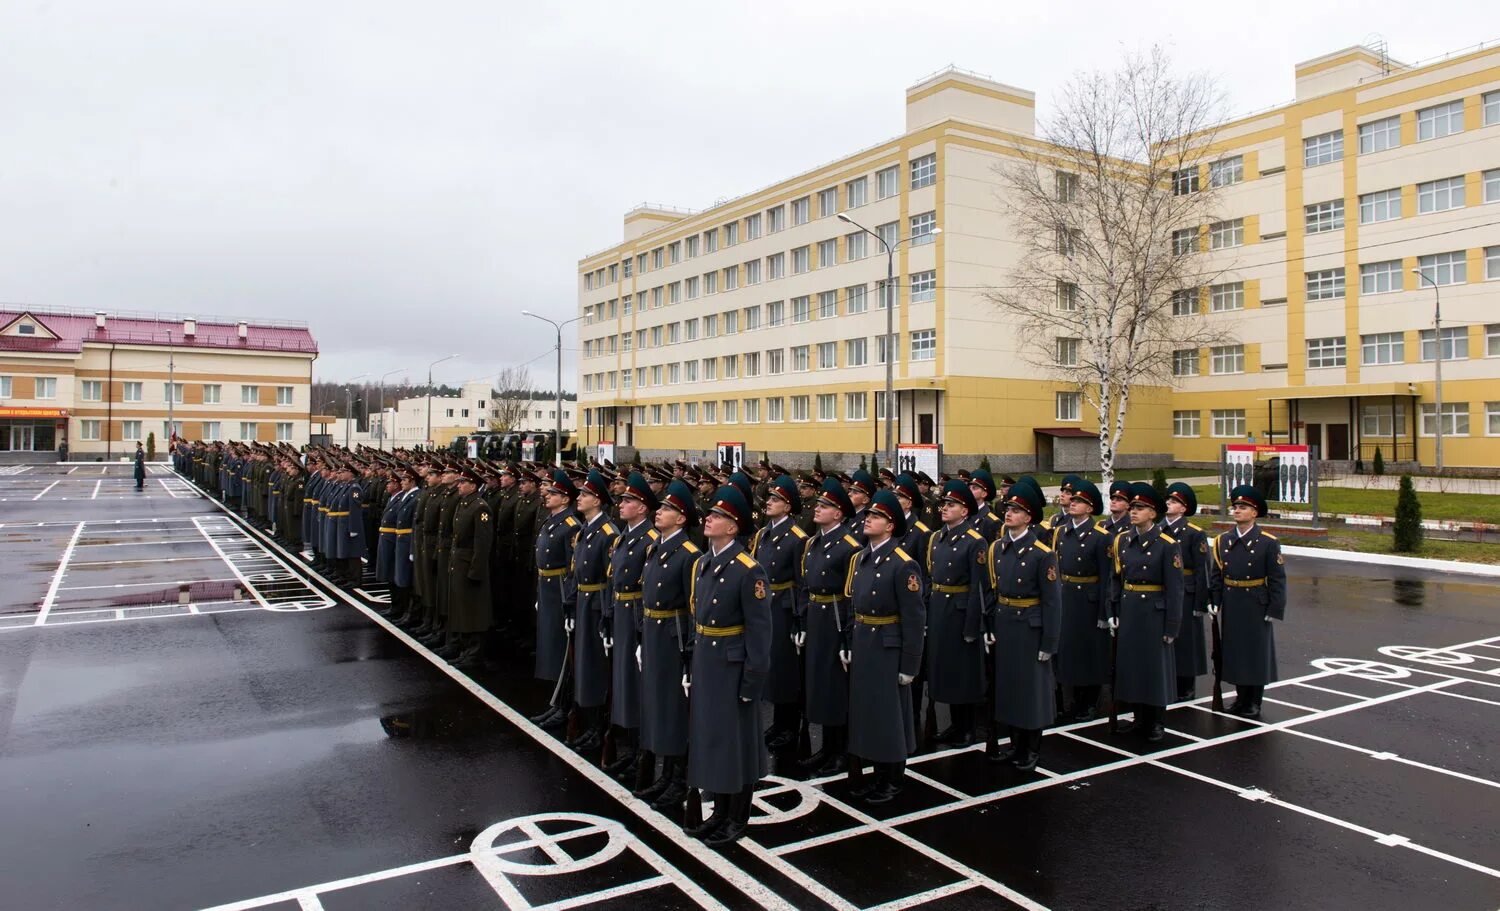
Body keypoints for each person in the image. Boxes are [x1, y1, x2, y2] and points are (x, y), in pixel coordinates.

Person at [684, 484, 771, 848]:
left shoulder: (748, 571)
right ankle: (718, 811)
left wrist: (752, 681)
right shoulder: (705, 562)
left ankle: (737, 815)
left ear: (733, 527)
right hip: (708, 661)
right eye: (711, 514)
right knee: (714, 740)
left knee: (736, 743)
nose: (709, 519)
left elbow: (760, 634)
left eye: (718, 516)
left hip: (733, 666)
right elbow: (697, 619)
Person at [846, 490, 926, 803]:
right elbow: (856, 606)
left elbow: (914, 618)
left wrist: (910, 665)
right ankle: (877, 771)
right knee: (870, 711)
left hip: (889, 647)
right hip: (866, 642)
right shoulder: (863, 557)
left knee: (891, 714)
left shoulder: (902, 564)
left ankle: (892, 777)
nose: (867, 520)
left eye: (875, 517)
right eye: (868, 515)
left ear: (890, 525)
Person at [982, 478, 1060, 771]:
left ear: (1028, 517)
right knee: (1009, 687)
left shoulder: (1042, 553)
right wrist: (989, 625)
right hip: (1005, 624)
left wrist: (1049, 642)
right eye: (1007, 508)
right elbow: (993, 591)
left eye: (1015, 510)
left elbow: (1052, 602)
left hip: (1030, 627)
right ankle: (1015, 742)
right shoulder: (997, 549)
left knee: (1031, 690)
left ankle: (1031, 747)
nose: (1008, 513)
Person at [633, 479, 700, 810]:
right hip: (655, 633)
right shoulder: (655, 548)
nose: (659, 512)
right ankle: (666, 773)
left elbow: (692, 609)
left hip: (674, 636)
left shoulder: (689, 555)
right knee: (659, 703)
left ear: (682, 518)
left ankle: (679, 777)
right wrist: (641, 636)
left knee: (675, 708)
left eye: (667, 509)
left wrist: (689, 653)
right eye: (660, 508)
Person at [796, 478, 862, 776]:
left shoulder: (850, 546)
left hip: (836, 620)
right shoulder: (813, 542)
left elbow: (852, 596)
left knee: (837, 686)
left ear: (839, 513)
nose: (818, 509)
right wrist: (801, 620)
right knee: (820, 683)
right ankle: (826, 746)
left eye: (825, 506)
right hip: (816, 617)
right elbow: (803, 585)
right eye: (818, 504)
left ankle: (841, 750)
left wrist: (848, 639)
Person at [1109, 481, 1184, 741]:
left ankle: (1156, 721)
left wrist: (1172, 625)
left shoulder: (1166, 544)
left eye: (1140, 508)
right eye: (1132, 507)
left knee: (1154, 668)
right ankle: (1138, 717)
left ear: (1153, 513)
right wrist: (1114, 609)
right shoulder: (1124, 540)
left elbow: (1175, 588)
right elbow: (1116, 578)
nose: (1133, 512)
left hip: (1154, 611)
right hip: (1130, 609)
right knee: (1133, 666)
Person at [1207, 485, 1287, 719]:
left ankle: (1254, 701)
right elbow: (1216, 575)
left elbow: (1277, 579)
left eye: (1243, 507)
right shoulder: (1223, 541)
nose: (1237, 511)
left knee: (1255, 652)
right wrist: (1215, 600)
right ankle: (1241, 698)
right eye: (1235, 507)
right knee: (1235, 651)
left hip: (1255, 602)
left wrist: (1275, 607)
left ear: (1255, 513)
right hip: (1232, 601)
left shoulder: (1268, 542)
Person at [923, 479, 989, 746]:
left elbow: (979, 588)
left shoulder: (975, 541)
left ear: (965, 511)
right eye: (944, 504)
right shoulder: (937, 538)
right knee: (945, 669)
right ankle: (953, 723)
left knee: (963, 672)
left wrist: (973, 626)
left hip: (961, 612)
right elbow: (930, 578)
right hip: (940, 609)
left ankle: (967, 727)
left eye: (951, 505)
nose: (944, 508)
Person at [603, 471, 657, 781]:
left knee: (637, 685)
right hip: (621, 610)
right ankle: (630, 748)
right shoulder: (625, 535)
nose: (621, 504)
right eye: (622, 500)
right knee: (623, 681)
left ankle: (641, 753)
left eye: (628, 500)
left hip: (637, 613)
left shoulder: (649, 539)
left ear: (643, 507)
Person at [750, 474, 807, 751]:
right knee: (771, 666)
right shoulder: (763, 533)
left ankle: (789, 725)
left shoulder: (798, 538)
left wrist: (799, 619)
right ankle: (778, 723)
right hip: (766, 607)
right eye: (769, 498)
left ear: (788, 506)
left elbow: (801, 582)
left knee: (786, 669)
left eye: (775, 500)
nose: (769, 502)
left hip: (785, 607)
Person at [565, 470, 618, 753]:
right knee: (584, 663)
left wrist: (607, 615)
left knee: (598, 667)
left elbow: (611, 579)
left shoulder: (608, 533)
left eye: (585, 495)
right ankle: (588, 723)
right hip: (584, 602)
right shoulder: (585, 529)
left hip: (597, 603)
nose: (580, 498)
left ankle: (600, 728)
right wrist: (571, 602)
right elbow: (576, 572)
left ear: (596, 501)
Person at [1051, 478, 1112, 722]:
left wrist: (1103, 613)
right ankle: (1073, 698)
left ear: (1090, 508)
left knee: (1089, 651)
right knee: (1069, 650)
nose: (1073, 504)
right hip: (1066, 596)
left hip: (1088, 599)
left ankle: (1089, 700)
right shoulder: (1061, 532)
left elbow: (1107, 577)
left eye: (1079, 501)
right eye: (1072, 500)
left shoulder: (1100, 537)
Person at [529, 470, 580, 730]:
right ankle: (555, 702)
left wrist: (569, 599)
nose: (548, 496)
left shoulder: (571, 525)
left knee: (562, 648)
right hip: (547, 587)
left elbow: (573, 567)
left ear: (566, 499)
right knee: (550, 644)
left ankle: (563, 706)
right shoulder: (552, 521)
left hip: (560, 587)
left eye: (554, 494)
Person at [1162, 482, 1210, 701]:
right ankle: (1170, 679)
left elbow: (1202, 570)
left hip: (1187, 591)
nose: (1169, 504)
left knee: (1186, 640)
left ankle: (1186, 685)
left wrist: (1201, 603)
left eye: (1174, 502)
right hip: (1165, 590)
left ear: (1183, 508)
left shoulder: (1193, 534)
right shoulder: (1159, 530)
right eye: (1168, 501)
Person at [446, 469, 495, 669]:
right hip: (459, 562)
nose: (459, 485)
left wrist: (475, 570)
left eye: (463, 482)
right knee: (462, 609)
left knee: (473, 611)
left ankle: (474, 654)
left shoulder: (480, 508)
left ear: (473, 486)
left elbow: (482, 543)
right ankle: (465, 650)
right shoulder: (464, 504)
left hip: (470, 565)